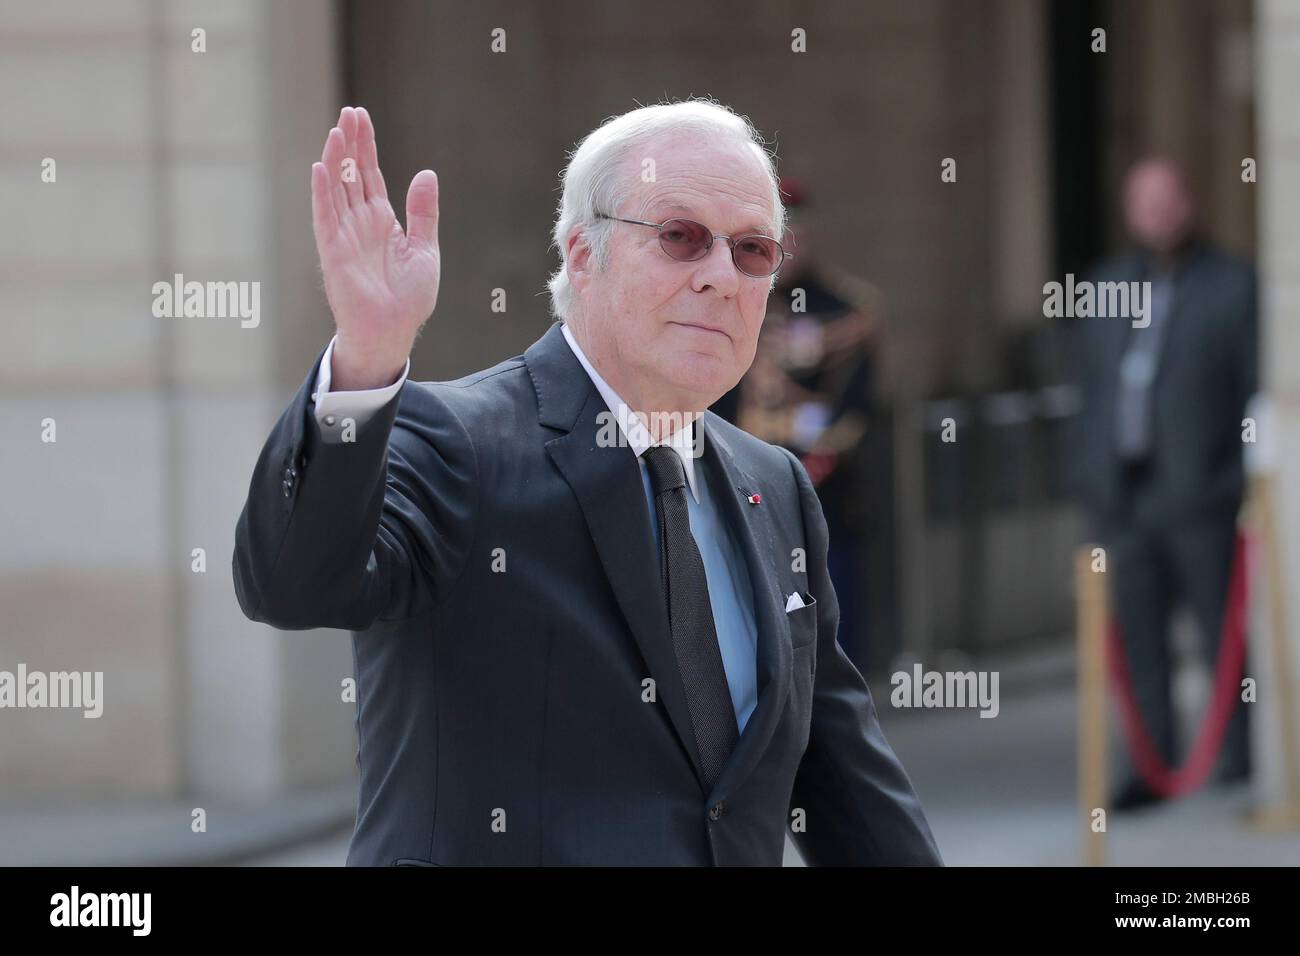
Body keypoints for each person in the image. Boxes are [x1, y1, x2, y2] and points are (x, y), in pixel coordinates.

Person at [232, 100, 941, 866]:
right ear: (580, 254)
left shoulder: (774, 486)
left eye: (752, 251)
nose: (719, 278)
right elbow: (291, 584)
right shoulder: (455, 442)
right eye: (680, 238)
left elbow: (842, 782)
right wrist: (367, 360)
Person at [1071, 157, 1257, 811]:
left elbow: (1253, 392)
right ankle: (1151, 764)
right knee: (1138, 636)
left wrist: (1233, 481)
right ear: (1130, 212)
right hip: (1124, 496)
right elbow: (1091, 391)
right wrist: (1091, 479)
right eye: (1142, 203)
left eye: (1166, 200)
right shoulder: (1105, 285)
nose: (1156, 215)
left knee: (1220, 628)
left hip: (1202, 494)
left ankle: (1236, 757)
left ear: (1188, 203)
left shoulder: (1235, 285)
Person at [714, 176, 879, 669]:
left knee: (832, 639)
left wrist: (806, 453)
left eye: (792, 238)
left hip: (818, 479)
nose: (786, 249)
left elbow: (851, 412)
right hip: (737, 484)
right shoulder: (730, 302)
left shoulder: (846, 312)